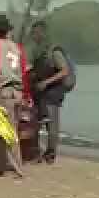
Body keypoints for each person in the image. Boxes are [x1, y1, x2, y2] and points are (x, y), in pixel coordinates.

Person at [0, 14, 30, 177]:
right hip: (18, 92)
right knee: (6, 128)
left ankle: (16, 168)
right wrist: (26, 96)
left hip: (3, 92)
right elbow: (23, 74)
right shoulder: (18, 48)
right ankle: (0, 164)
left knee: (4, 130)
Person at [29, 20, 74, 164]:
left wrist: (45, 83)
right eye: (32, 33)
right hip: (42, 91)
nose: (33, 36)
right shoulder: (40, 51)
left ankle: (50, 154)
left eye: (35, 33)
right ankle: (36, 151)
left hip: (53, 91)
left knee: (52, 124)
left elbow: (64, 70)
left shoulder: (54, 51)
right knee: (37, 121)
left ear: (42, 33)